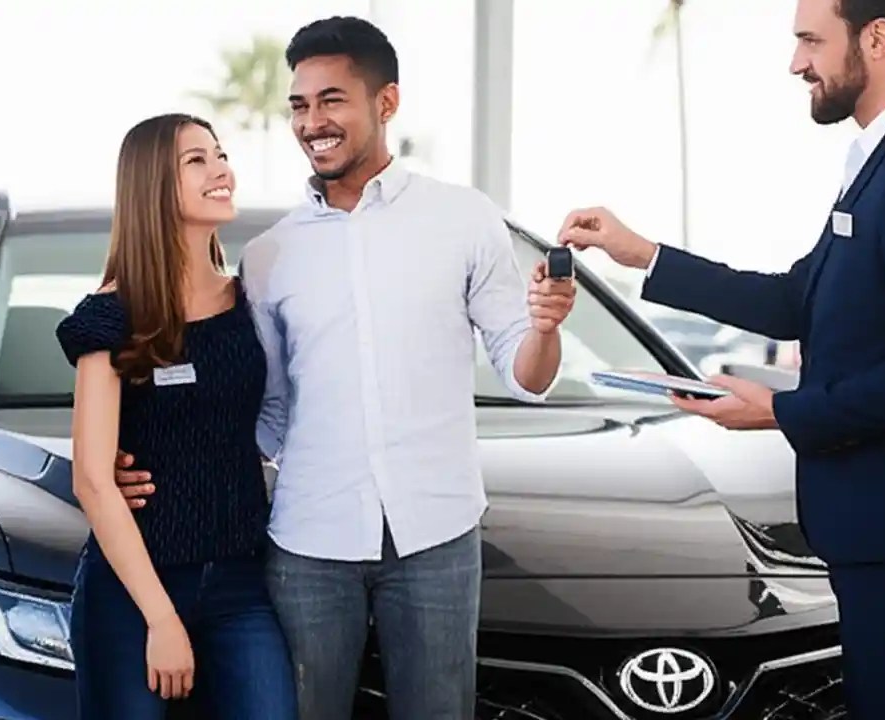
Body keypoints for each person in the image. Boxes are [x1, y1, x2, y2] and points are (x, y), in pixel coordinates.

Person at [557, 1, 885, 717]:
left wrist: (776, 411)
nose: (797, 62)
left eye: (810, 41)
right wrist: (641, 253)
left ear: (880, 38)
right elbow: (796, 300)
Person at [122, 16, 577, 719]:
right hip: (308, 540)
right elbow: (264, 412)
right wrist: (155, 458)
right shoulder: (271, 256)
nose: (312, 122)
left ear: (385, 103)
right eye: (300, 106)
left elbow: (525, 372)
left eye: (332, 100)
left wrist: (543, 328)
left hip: (437, 532)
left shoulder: (464, 219)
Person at [54, 113, 298, 720]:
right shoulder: (109, 317)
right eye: (197, 160)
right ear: (152, 186)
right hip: (134, 594)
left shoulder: (248, 302)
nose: (221, 169)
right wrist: (160, 619)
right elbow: (91, 479)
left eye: (220, 154)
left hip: (242, 584)